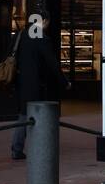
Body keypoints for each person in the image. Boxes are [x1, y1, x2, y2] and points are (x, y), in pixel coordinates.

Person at [10, 10, 70, 160]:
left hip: (20, 82)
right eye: (47, 22)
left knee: (23, 115)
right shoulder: (41, 38)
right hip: (37, 85)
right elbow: (52, 64)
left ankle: (17, 148)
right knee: (39, 116)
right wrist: (64, 82)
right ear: (43, 21)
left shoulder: (21, 35)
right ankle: (39, 147)